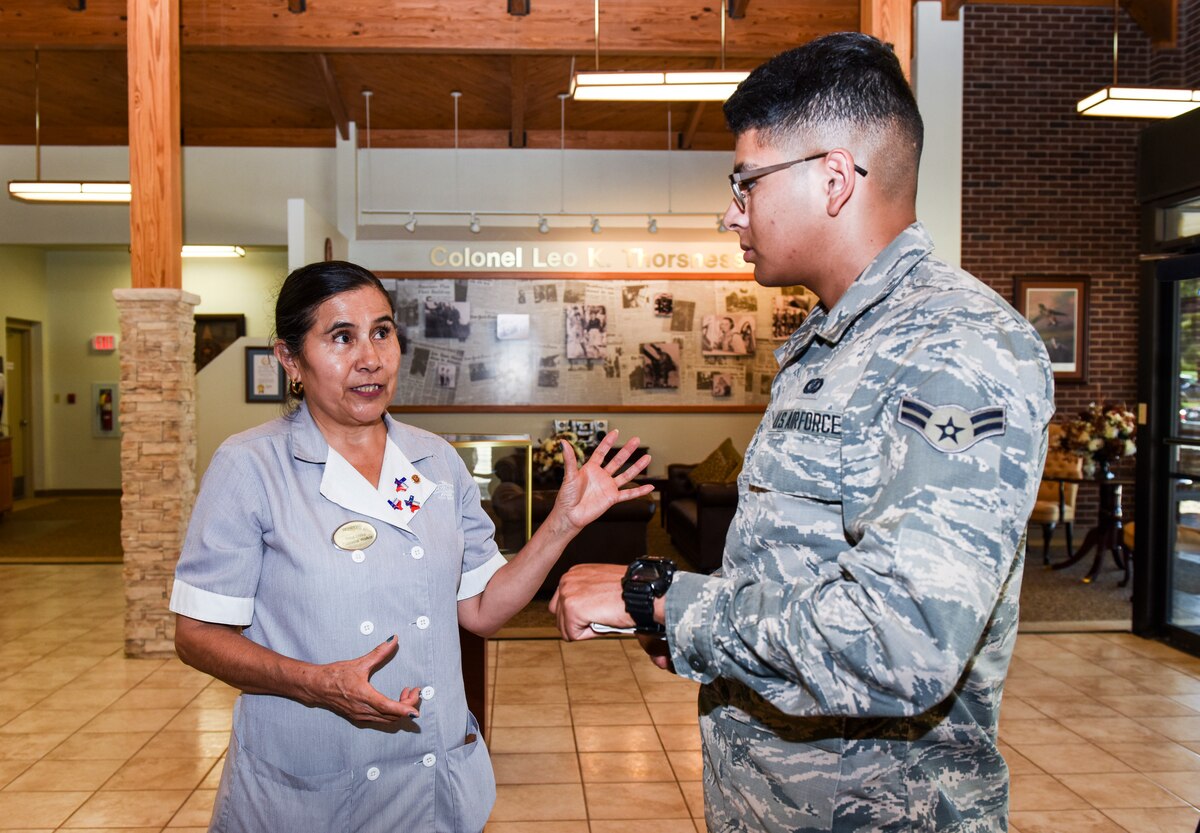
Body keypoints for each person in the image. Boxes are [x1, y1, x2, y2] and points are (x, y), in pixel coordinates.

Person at [551, 32, 1054, 833]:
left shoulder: (958, 347)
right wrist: (700, 638)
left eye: (746, 182)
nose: (730, 211)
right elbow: (802, 563)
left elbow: (906, 638)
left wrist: (664, 602)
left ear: (832, 179)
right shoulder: (830, 339)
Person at [170, 260, 652, 833]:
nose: (370, 358)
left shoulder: (433, 460)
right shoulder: (251, 467)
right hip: (310, 788)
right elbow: (197, 635)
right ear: (290, 360)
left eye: (382, 331)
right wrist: (316, 683)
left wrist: (563, 523)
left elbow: (482, 610)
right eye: (341, 337)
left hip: (431, 781)